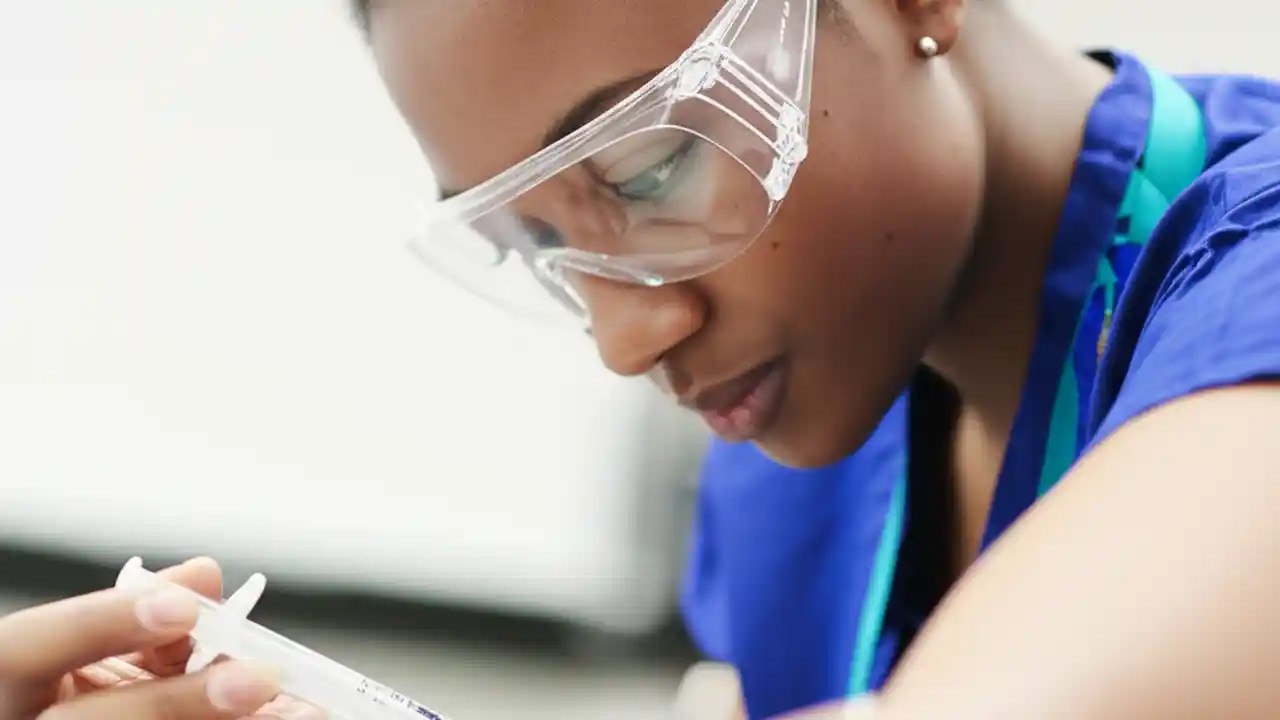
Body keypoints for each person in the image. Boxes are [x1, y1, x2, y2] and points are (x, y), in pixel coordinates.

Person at [4, 0, 1280, 717]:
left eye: (650, 169)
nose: (624, 340)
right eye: (535, 246)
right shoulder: (782, 477)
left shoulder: (1258, 264)